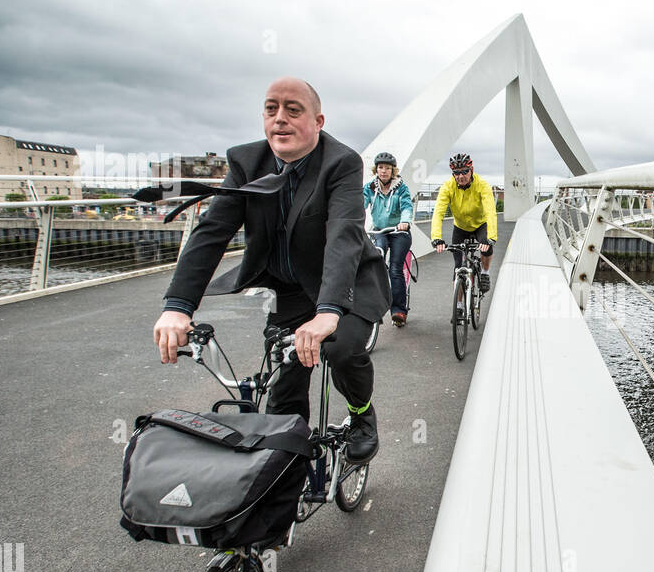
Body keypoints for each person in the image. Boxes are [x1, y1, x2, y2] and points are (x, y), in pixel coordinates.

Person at [152, 77, 390, 465]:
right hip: (291, 290)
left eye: (293, 110)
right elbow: (212, 233)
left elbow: (343, 236)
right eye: (271, 109)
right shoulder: (246, 162)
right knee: (284, 387)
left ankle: (362, 416)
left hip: (346, 284)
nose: (280, 118)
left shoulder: (342, 163)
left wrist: (329, 311)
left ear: (318, 121)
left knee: (342, 350)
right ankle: (283, 479)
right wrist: (178, 306)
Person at [430, 153, 497, 315]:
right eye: (456, 173)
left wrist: (491, 237)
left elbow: (490, 211)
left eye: (464, 172)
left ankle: (485, 272)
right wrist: (436, 238)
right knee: (459, 268)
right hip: (460, 227)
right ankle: (459, 305)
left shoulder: (482, 185)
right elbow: (438, 212)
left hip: (480, 224)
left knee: (486, 249)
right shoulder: (448, 187)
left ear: (471, 170)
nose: (460, 176)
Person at [363, 151, 414, 327]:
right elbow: (359, 205)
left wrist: (405, 222)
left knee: (395, 269)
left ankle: (398, 310)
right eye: (380, 167)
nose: (383, 171)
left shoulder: (401, 188)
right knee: (376, 262)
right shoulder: (370, 187)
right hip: (380, 231)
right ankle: (373, 305)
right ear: (376, 169)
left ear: (393, 171)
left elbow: (407, 207)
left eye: (387, 168)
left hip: (399, 232)